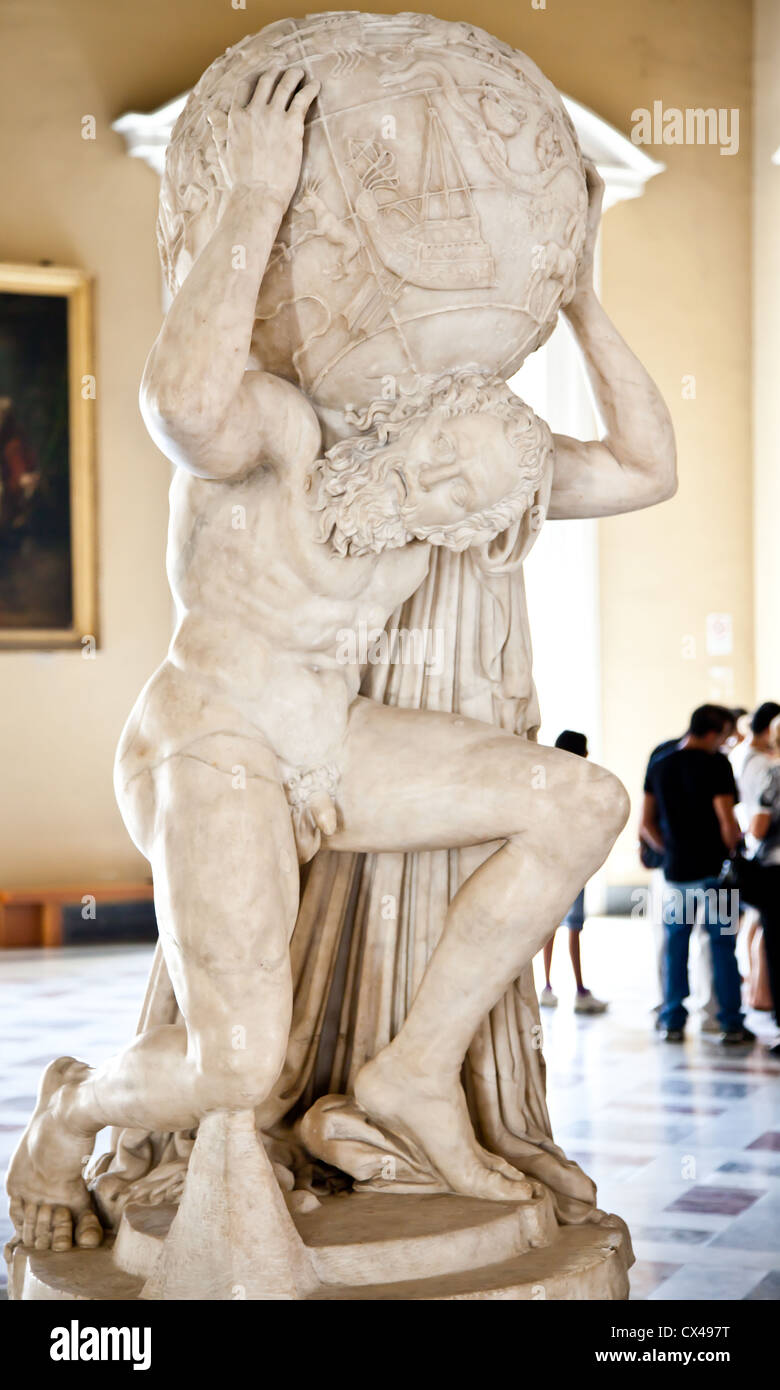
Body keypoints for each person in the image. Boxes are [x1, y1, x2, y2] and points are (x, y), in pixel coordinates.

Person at [7, 68, 677, 1251]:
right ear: (419, 420)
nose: (437, 486)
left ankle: (412, 1070)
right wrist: (253, 199)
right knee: (235, 1060)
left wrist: (581, 294)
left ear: (483, 523)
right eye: (442, 453)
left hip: (331, 746)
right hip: (212, 740)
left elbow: (644, 469)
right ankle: (67, 1111)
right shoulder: (287, 434)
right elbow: (181, 404)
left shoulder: (450, 507)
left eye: (464, 497)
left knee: (581, 803)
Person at [641, 705, 753, 1044]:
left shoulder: (660, 764)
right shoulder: (717, 764)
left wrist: (670, 851)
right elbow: (726, 822)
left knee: (676, 947)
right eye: (725, 735)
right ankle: (730, 1023)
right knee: (722, 947)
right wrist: (736, 847)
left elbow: (646, 824)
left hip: (677, 873)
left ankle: (673, 1020)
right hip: (717, 874)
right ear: (714, 732)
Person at [540, 730, 608, 1014]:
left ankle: (546, 987)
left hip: (549, 864)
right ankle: (579, 990)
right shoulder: (583, 784)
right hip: (574, 864)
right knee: (574, 927)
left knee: (548, 926)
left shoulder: (546, 782)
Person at [735, 701, 780, 1051]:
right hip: (772, 866)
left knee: (768, 941)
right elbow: (760, 821)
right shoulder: (765, 766)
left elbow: (758, 825)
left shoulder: (766, 770)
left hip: (769, 865)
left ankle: (764, 1000)